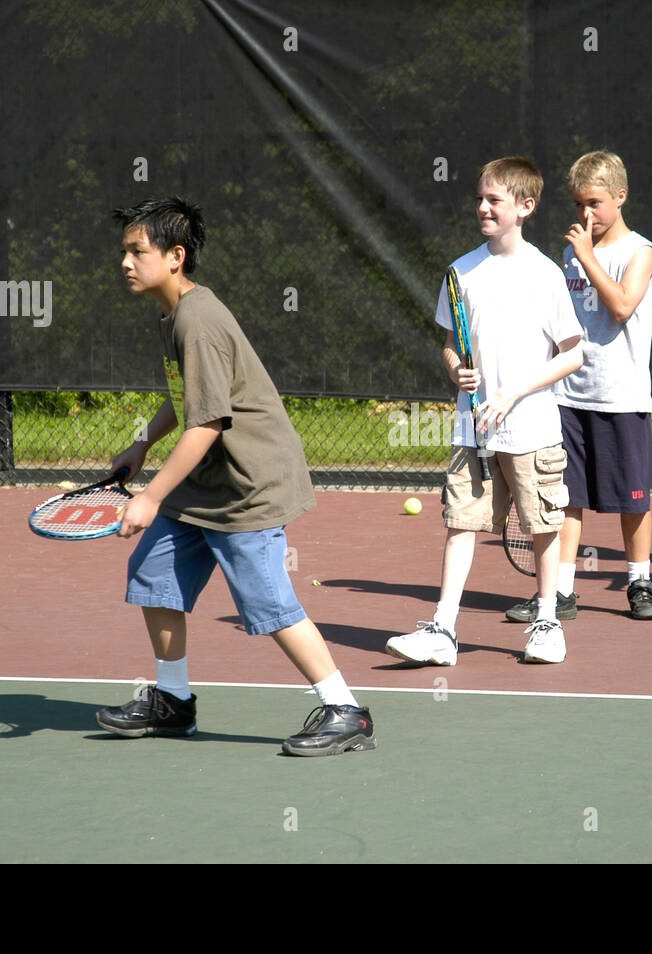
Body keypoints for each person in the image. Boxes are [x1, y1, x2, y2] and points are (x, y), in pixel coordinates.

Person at [94, 195, 376, 755]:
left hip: (248, 486)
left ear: (175, 256)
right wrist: (143, 443)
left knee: (266, 602)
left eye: (136, 251)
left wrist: (150, 496)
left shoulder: (198, 320)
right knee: (154, 574)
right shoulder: (173, 314)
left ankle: (347, 711)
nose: (125, 262)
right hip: (206, 483)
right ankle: (174, 703)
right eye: (123, 251)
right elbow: (188, 397)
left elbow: (208, 422)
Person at [386, 157, 583, 665]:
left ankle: (546, 622)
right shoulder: (460, 272)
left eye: (494, 200)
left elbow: (573, 353)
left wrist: (514, 392)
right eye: (480, 198)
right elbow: (452, 344)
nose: (482, 207)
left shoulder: (545, 274)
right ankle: (443, 631)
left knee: (541, 527)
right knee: (461, 524)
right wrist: (455, 370)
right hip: (472, 430)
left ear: (525, 206)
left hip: (532, 430)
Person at [507, 150, 652, 623]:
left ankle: (639, 583)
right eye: (577, 205)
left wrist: (587, 256)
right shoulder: (569, 257)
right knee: (566, 497)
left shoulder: (640, 251)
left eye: (594, 203)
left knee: (632, 499)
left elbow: (620, 307)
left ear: (620, 196)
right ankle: (561, 593)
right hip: (568, 398)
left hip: (622, 397)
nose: (585, 214)